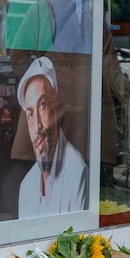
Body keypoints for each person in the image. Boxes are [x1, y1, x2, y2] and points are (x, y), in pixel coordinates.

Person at [12, 56, 90, 218]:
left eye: (42, 105)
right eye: (30, 114)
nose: (37, 126)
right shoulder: (26, 187)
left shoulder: (77, 172)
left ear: (55, 105)